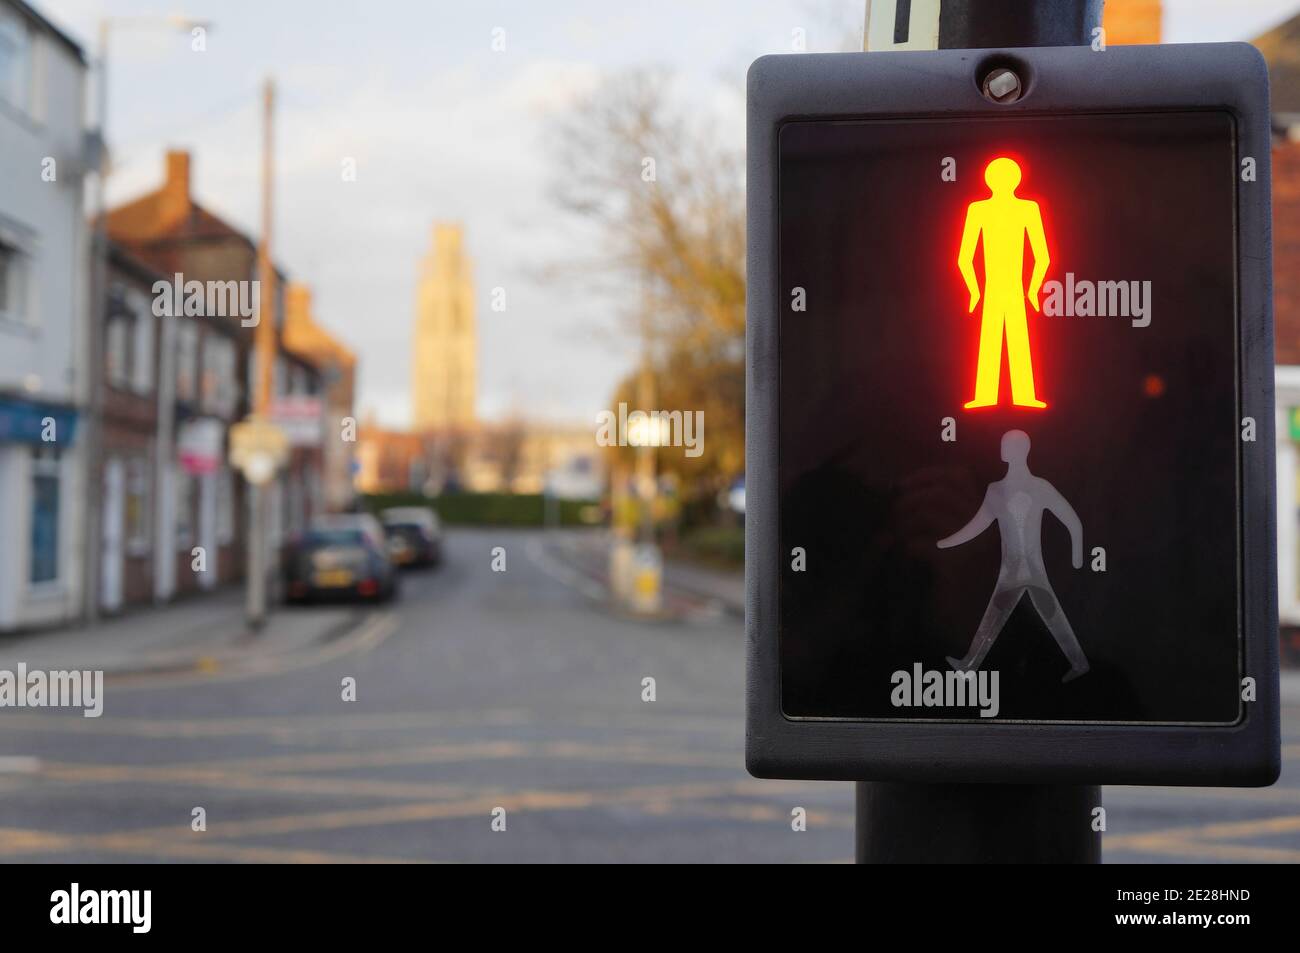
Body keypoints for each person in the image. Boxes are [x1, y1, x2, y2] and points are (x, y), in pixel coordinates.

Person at [937, 429, 1089, 682]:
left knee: (1051, 618)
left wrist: (1077, 556)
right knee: (996, 618)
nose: (1002, 448)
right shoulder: (996, 491)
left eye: (1007, 444)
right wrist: (947, 542)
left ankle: (1078, 663)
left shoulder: (1040, 487)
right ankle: (970, 664)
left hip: (1032, 568)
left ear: (1021, 450)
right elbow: (977, 526)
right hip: (1011, 571)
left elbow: (1073, 522)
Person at [958, 157, 1050, 409]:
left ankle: (1002, 396)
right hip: (1006, 287)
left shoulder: (1020, 209)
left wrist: (975, 291)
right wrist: (1031, 289)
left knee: (1000, 339)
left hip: (1002, 287)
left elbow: (963, 259)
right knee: (1008, 339)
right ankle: (1014, 396)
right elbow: (1043, 257)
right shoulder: (985, 210)